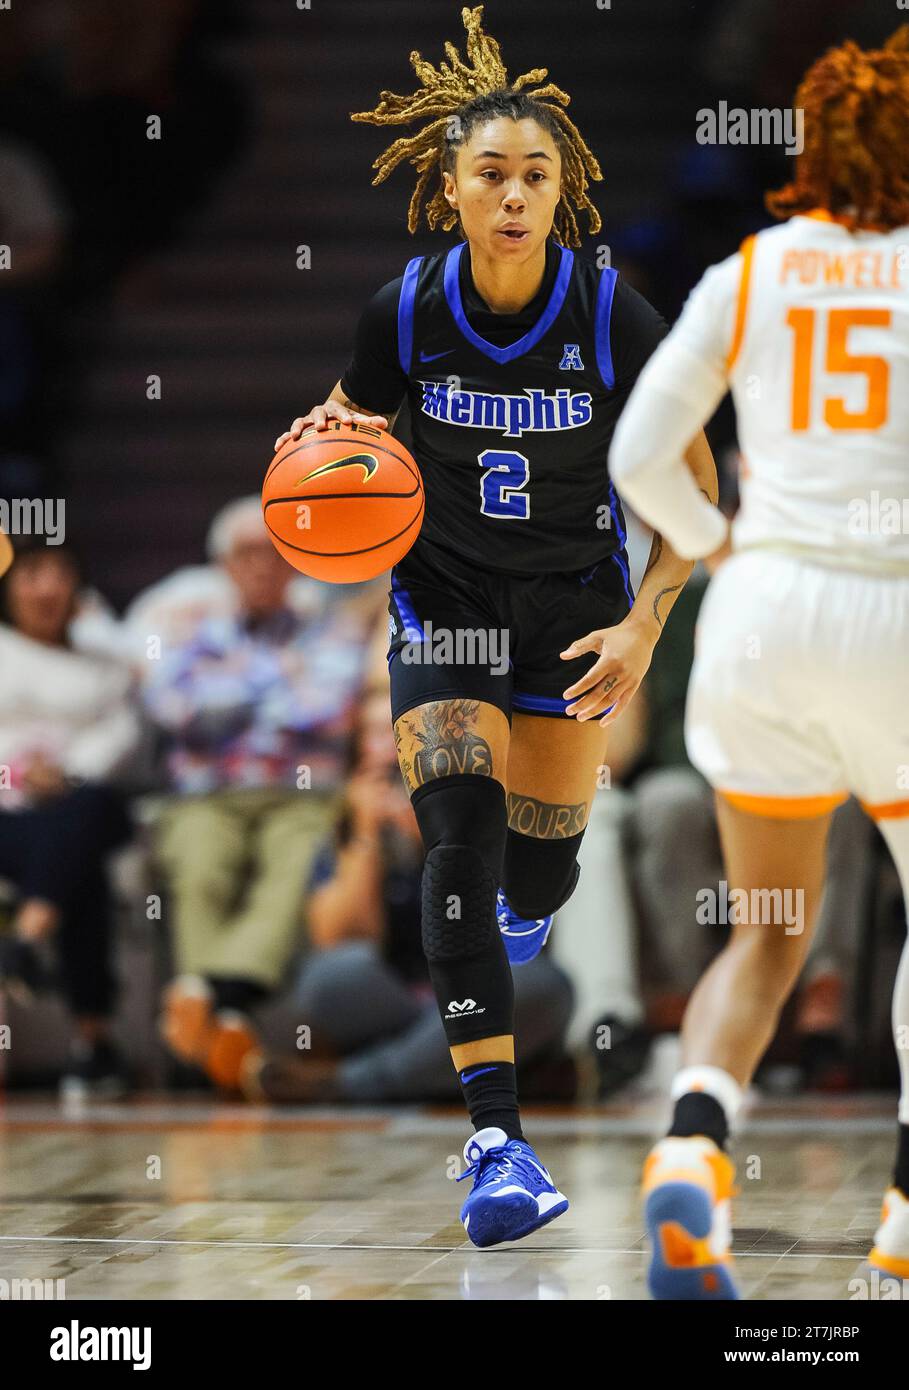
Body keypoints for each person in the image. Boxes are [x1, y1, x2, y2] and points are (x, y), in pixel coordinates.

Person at [274, 6, 718, 1247]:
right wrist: (312, 458)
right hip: (448, 606)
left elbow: (699, 488)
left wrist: (643, 626)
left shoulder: (609, 311)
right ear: (452, 188)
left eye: (537, 175)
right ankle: (497, 1145)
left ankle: (516, 918)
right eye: (491, 174)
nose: (514, 194)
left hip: (577, 618)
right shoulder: (401, 313)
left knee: (543, 872)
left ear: (561, 188)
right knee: (456, 843)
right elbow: (344, 428)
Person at [610, 26, 909, 1298]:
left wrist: (717, 542)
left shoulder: (750, 271)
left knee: (768, 929)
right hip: (894, 612)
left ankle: (693, 1147)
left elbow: (635, 458)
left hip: (762, 612)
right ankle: (899, 1224)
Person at [244, 685, 574, 1105]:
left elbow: (510, 935)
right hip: (395, 1001)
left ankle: (350, 1083)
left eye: (401, 728)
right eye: (376, 734)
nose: (392, 748)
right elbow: (341, 941)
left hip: (479, 987)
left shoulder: (489, 797)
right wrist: (365, 837)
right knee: (332, 978)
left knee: (542, 986)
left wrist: (442, 837)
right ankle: (461, 1066)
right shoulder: (343, 829)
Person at [144, 497, 369, 1091]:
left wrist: (232, 693)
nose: (263, 566)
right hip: (207, 793)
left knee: (294, 864)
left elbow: (328, 709)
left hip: (299, 793)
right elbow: (173, 707)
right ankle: (229, 1020)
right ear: (223, 565)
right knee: (198, 866)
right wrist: (279, 679)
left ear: (295, 561)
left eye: (275, 553)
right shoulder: (191, 630)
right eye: (247, 554)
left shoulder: (331, 627)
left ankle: (207, 999)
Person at [0, 537, 139, 1095]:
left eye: (61, 574)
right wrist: (15, 774)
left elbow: (123, 739)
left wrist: (66, 773)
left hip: (80, 803)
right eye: (33, 573)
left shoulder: (106, 666)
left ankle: (28, 937)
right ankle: (94, 1043)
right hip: (7, 816)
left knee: (90, 806)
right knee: (82, 874)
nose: (48, 587)